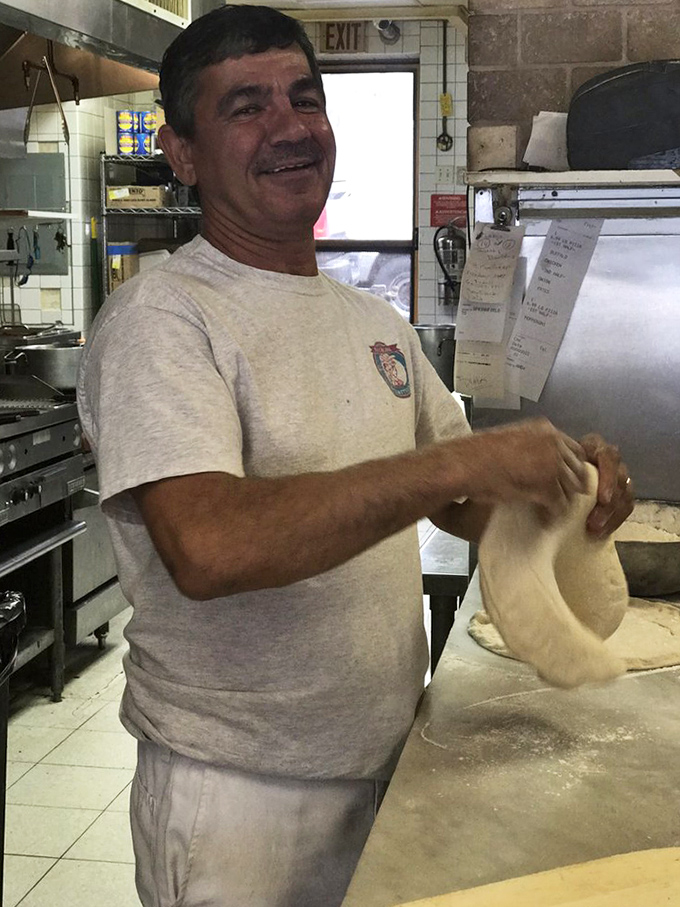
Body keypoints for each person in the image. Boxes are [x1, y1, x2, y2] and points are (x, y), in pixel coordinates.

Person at [76, 6, 634, 906]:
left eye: (305, 98)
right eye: (246, 107)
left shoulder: (371, 323)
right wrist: (451, 470)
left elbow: (465, 501)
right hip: (242, 800)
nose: (290, 127)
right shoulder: (164, 319)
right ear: (182, 153)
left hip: (385, 756)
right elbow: (209, 548)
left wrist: (563, 498)